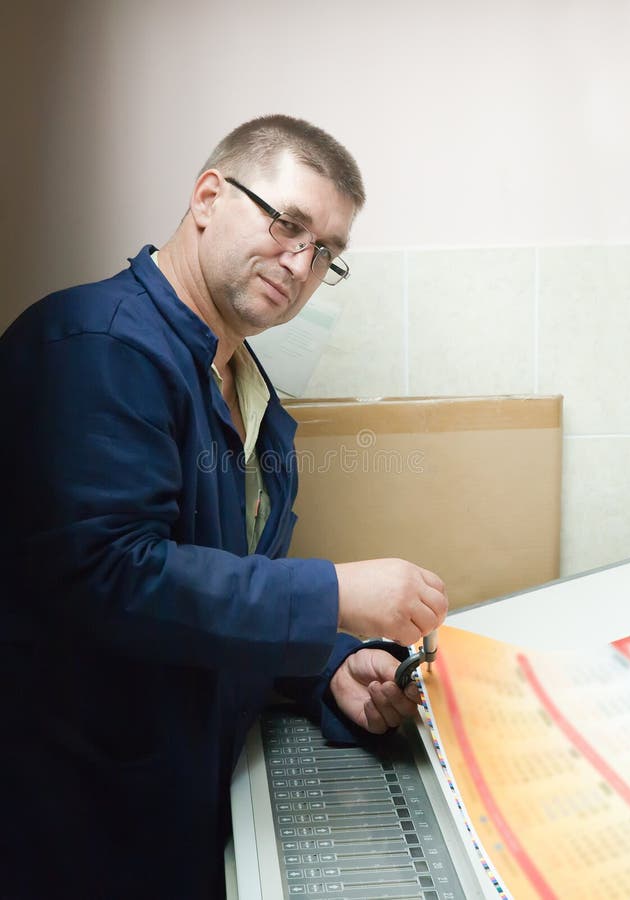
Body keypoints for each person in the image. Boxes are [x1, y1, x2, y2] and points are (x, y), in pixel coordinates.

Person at [0, 114, 448, 899]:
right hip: (83, 825)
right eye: (287, 224)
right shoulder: (97, 346)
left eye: (325, 252)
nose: (300, 264)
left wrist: (330, 668)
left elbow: (224, 594)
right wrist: (335, 592)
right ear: (208, 197)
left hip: (182, 798)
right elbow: (111, 578)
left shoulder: (242, 384)